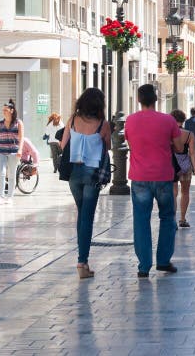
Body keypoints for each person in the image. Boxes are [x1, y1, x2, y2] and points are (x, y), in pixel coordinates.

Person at [125, 84, 183, 278]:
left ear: (139, 99)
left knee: (141, 220)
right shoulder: (168, 120)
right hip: (163, 176)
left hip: (139, 177)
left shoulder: (130, 121)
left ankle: (144, 265)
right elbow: (179, 146)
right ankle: (164, 261)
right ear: (156, 99)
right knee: (167, 217)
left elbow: (130, 143)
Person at [59, 88, 110, 279]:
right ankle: (82, 262)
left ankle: (82, 261)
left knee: (82, 214)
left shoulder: (72, 120)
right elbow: (108, 147)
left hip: (73, 172)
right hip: (92, 172)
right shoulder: (103, 124)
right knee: (87, 217)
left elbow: (63, 145)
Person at [170, 110, 195, 228]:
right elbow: (193, 153)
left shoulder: (168, 133)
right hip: (185, 165)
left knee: (173, 193)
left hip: (172, 164)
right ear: (183, 120)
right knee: (185, 192)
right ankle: (182, 219)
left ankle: (172, 221)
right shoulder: (189, 134)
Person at [0, 100, 24, 205]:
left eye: (6, 110)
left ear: (11, 111)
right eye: (3, 110)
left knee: (12, 174)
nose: (3, 112)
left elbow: (21, 138)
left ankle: (10, 197)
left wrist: (20, 150)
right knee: (1, 173)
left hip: (14, 152)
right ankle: (1, 196)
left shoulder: (18, 123)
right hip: (1, 151)